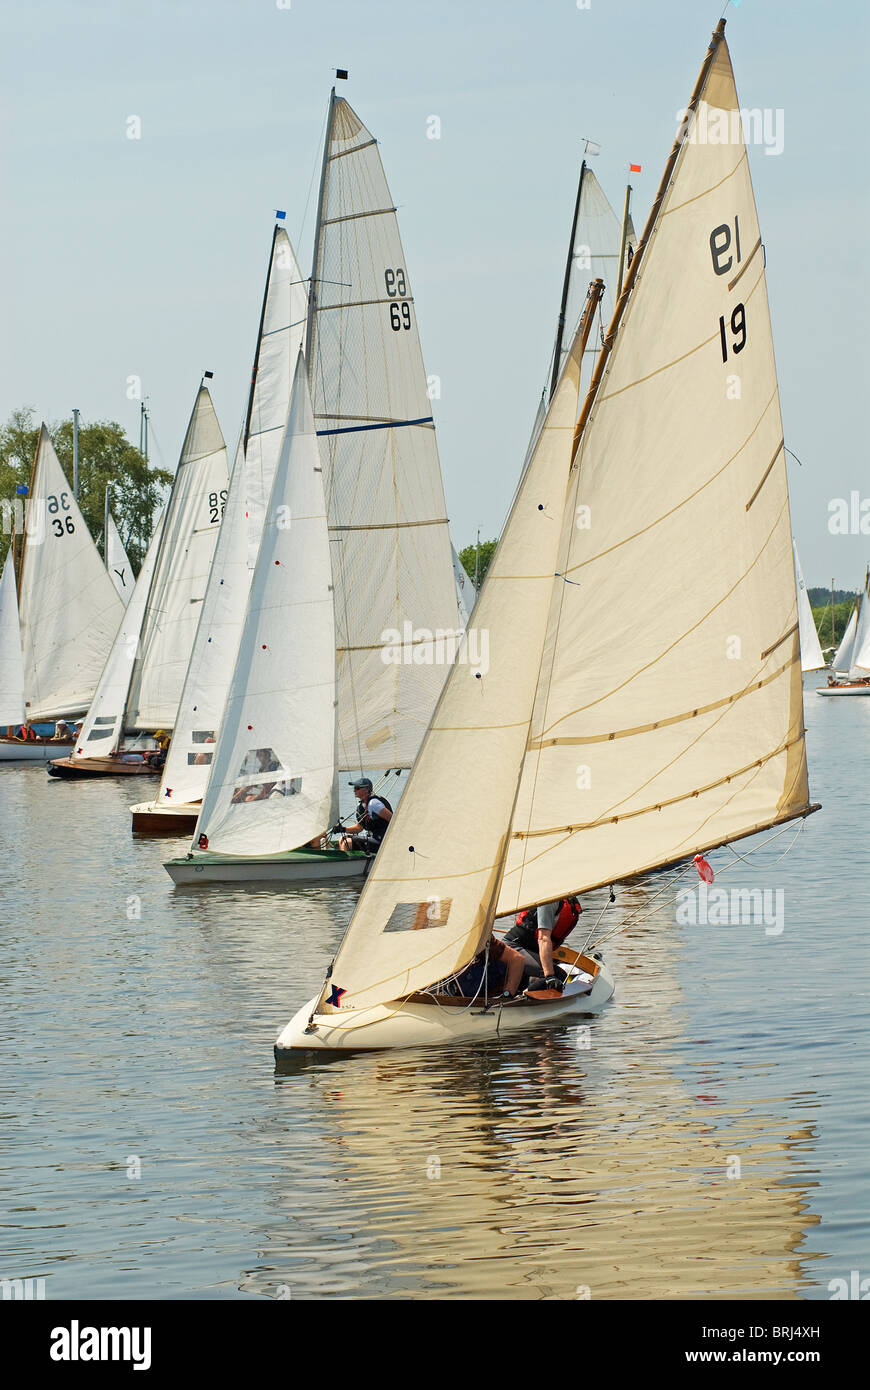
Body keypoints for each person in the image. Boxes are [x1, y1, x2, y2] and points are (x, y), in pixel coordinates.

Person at [503, 896, 583, 993]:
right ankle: (520, 1000)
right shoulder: (549, 901)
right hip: (514, 948)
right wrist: (549, 976)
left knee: (558, 976)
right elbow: (543, 938)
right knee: (558, 975)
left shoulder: (569, 901)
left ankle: (524, 992)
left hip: (532, 951)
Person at [338, 778, 392, 852]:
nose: (354, 790)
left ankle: (344, 863)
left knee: (347, 842)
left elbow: (393, 820)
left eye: (357, 788)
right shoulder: (363, 804)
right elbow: (359, 828)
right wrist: (343, 829)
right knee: (342, 839)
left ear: (366, 789)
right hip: (374, 838)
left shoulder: (374, 803)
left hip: (382, 841)